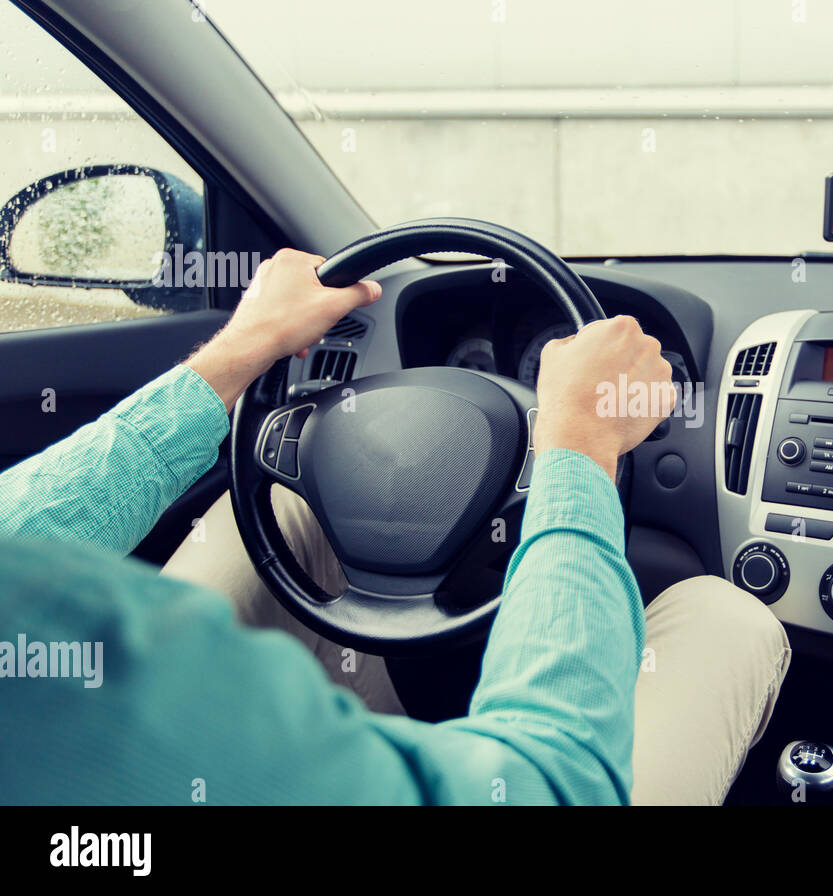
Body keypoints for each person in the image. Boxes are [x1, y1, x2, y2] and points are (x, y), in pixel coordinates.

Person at [0, 249, 790, 805]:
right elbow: (555, 785)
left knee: (283, 516)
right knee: (727, 617)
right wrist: (576, 446)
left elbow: (17, 539)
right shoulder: (95, 731)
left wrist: (242, 351)